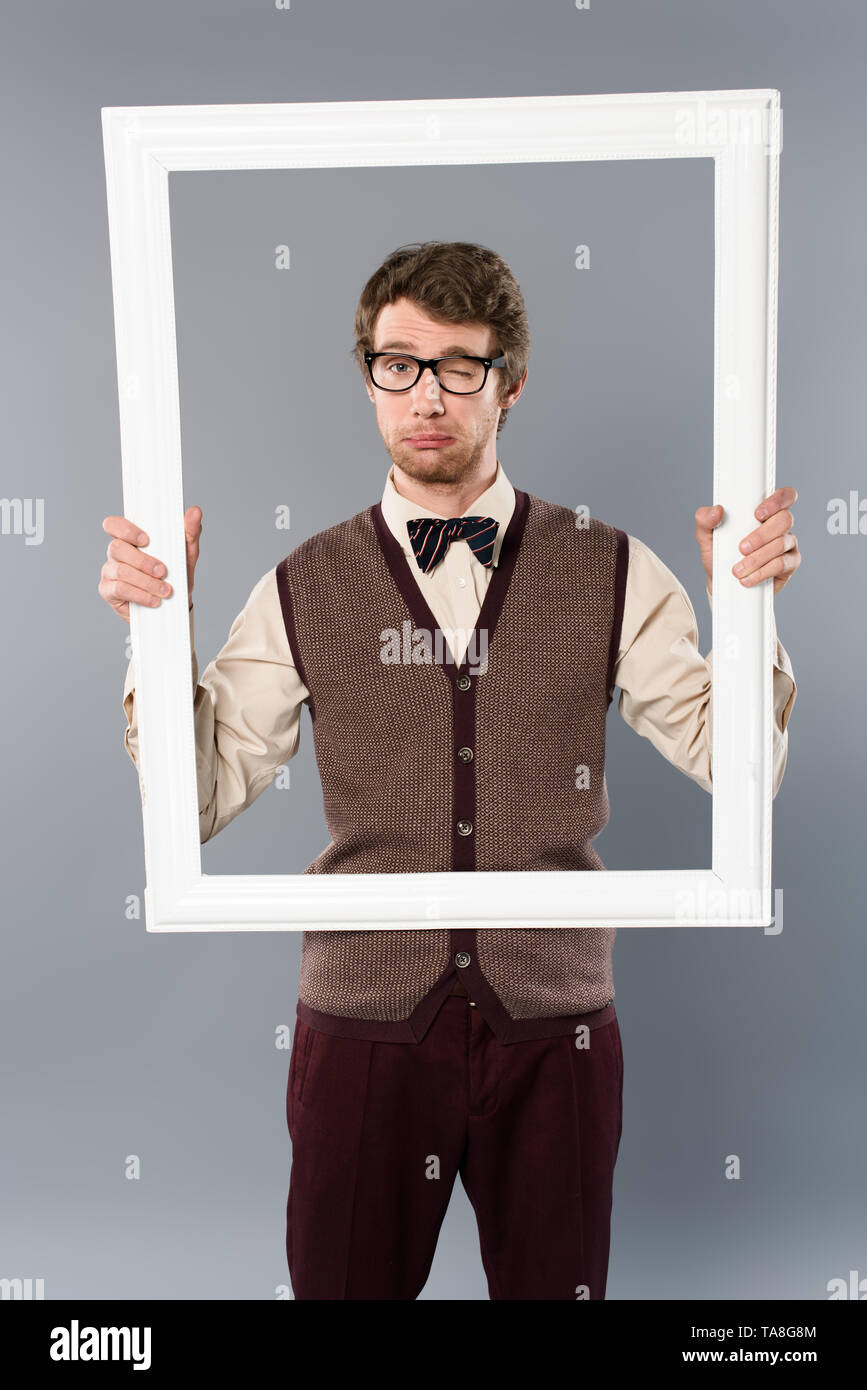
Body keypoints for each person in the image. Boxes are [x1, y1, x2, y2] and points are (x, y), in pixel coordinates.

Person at [99, 241, 800, 1300]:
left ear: (510, 382)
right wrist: (159, 633)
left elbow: (740, 768)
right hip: (363, 1028)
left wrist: (751, 618)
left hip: (555, 1027)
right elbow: (188, 803)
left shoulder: (610, 565)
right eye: (397, 365)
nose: (426, 397)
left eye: (458, 366)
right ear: (369, 378)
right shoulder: (305, 583)